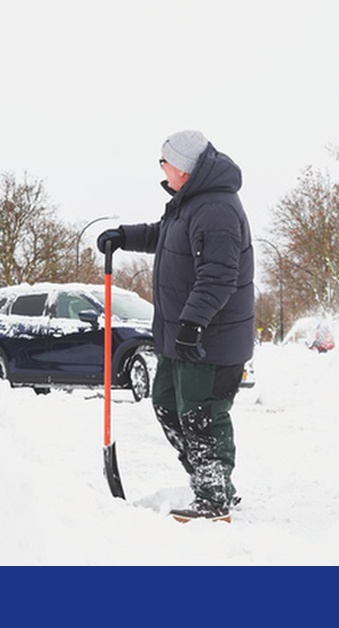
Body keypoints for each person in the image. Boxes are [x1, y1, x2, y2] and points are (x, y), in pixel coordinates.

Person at [97, 130, 255, 522]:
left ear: (183, 167)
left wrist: (192, 324)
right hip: (180, 336)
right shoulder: (189, 204)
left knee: (201, 415)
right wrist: (125, 236)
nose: (162, 168)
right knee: (167, 405)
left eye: (164, 161)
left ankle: (214, 497)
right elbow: (165, 238)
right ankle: (207, 480)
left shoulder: (215, 209)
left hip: (208, 339)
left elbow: (218, 276)